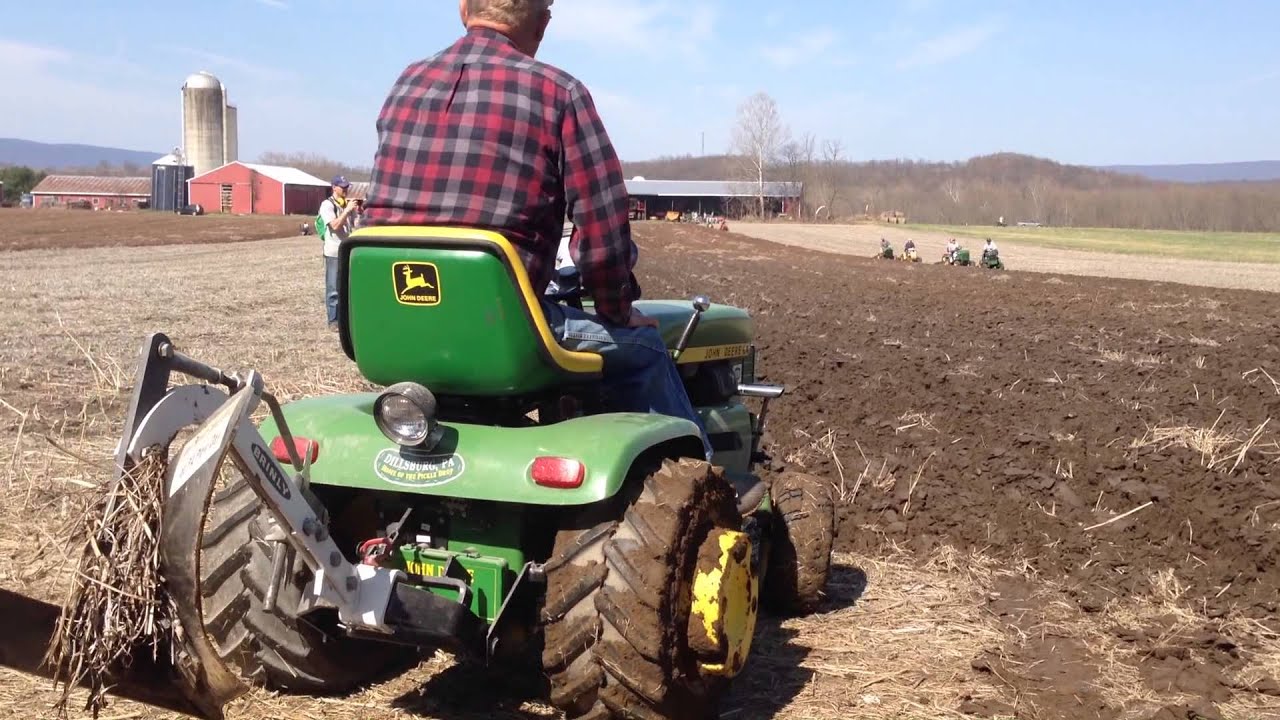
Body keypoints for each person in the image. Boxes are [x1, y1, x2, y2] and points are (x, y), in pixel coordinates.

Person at [363, 0, 713, 459]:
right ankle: (701, 480)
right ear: (543, 23)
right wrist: (616, 307)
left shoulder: (406, 83)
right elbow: (602, 221)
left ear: (464, 9)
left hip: (393, 335)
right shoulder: (557, 91)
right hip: (502, 336)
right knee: (645, 347)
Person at [319, 176, 361, 331]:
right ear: (334, 187)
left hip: (348, 251)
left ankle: (347, 319)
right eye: (342, 187)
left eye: (346, 187)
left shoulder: (348, 204)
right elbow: (335, 226)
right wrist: (347, 211)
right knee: (333, 288)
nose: (345, 189)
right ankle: (333, 320)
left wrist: (357, 213)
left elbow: (356, 227)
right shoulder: (327, 205)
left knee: (348, 287)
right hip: (334, 252)